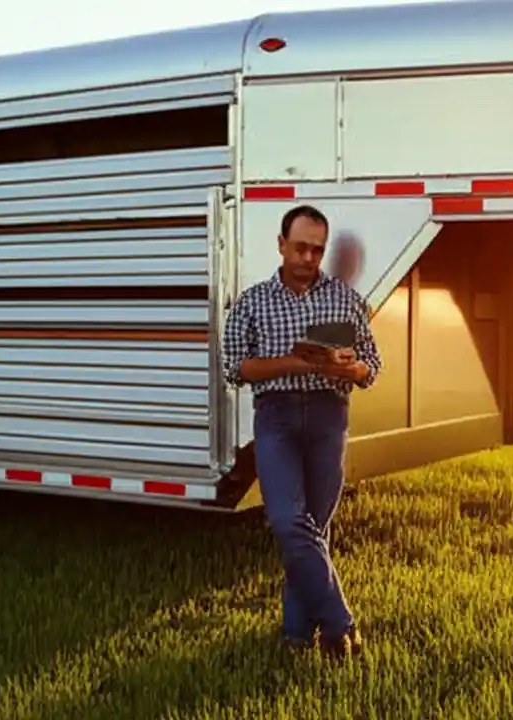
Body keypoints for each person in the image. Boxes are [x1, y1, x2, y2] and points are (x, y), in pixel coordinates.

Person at [221, 205, 382, 658]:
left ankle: (297, 636)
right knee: (289, 521)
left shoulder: (345, 299)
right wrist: (300, 362)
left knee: (314, 528)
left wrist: (349, 367)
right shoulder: (253, 302)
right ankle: (340, 621)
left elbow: (373, 367)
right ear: (280, 244)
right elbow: (235, 368)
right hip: (277, 417)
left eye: (317, 249)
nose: (308, 258)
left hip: (331, 416)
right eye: (300, 247)